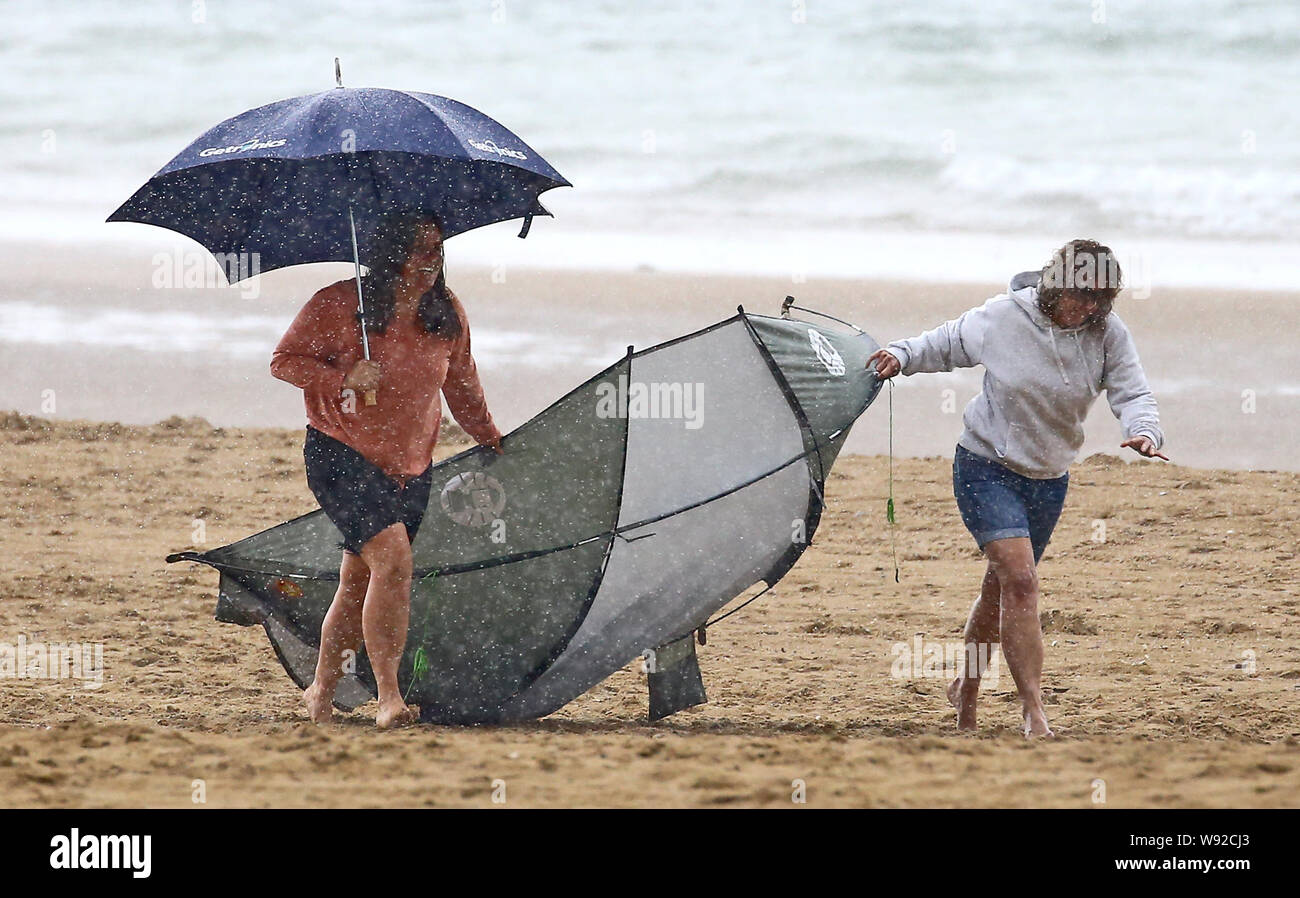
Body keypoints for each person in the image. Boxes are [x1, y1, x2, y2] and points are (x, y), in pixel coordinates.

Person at [867, 239, 1167, 738]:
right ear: (1057, 285)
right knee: (1022, 582)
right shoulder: (1004, 317)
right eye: (1083, 294)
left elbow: (1133, 392)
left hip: (1049, 477)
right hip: (986, 465)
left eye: (1102, 298)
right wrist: (900, 355)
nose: (1091, 307)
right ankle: (1034, 711)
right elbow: (942, 343)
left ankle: (965, 686)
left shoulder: (1107, 333)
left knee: (1000, 589)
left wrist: (1145, 431)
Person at [270, 213, 503, 728]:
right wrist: (343, 375)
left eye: (437, 248)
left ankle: (320, 691)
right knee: (394, 562)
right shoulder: (337, 303)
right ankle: (389, 699)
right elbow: (285, 361)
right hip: (340, 452)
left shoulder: (447, 312)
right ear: (388, 254)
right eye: (418, 248)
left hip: (412, 465)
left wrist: (487, 432)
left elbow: (461, 381)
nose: (430, 259)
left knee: (359, 579)